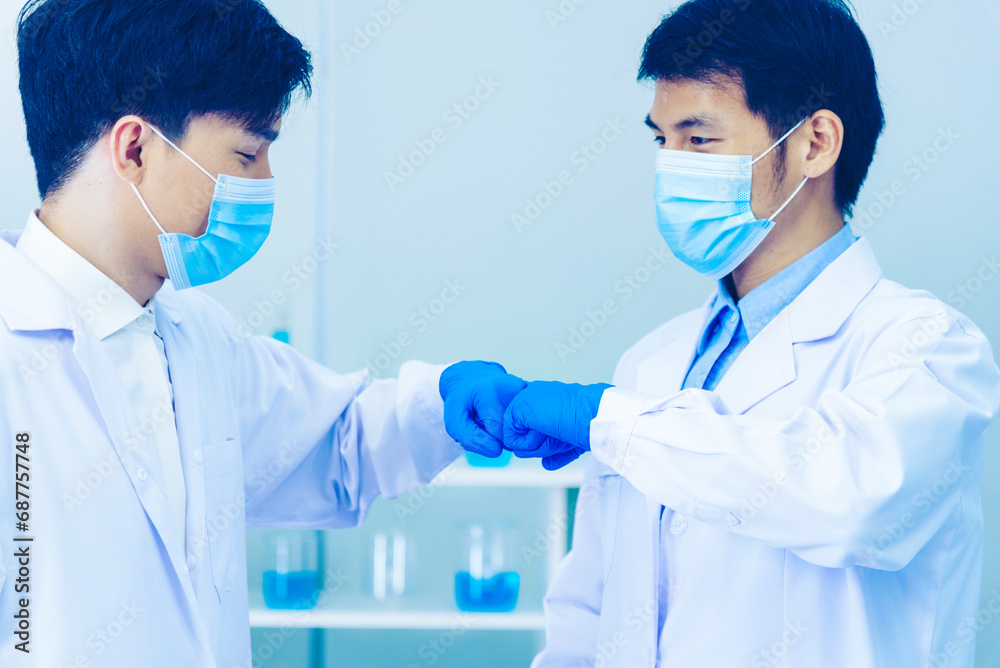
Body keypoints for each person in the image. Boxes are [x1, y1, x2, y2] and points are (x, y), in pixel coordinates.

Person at [444, 0, 1000, 665]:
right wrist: (615, 418)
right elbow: (586, 618)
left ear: (814, 143)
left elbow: (848, 498)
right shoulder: (651, 365)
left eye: (699, 139)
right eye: (661, 140)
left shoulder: (927, 347)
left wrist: (611, 420)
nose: (670, 165)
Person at [0, 1, 519, 664]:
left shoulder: (196, 338)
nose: (265, 184)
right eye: (247, 154)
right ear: (135, 148)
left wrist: (445, 404)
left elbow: (332, 443)